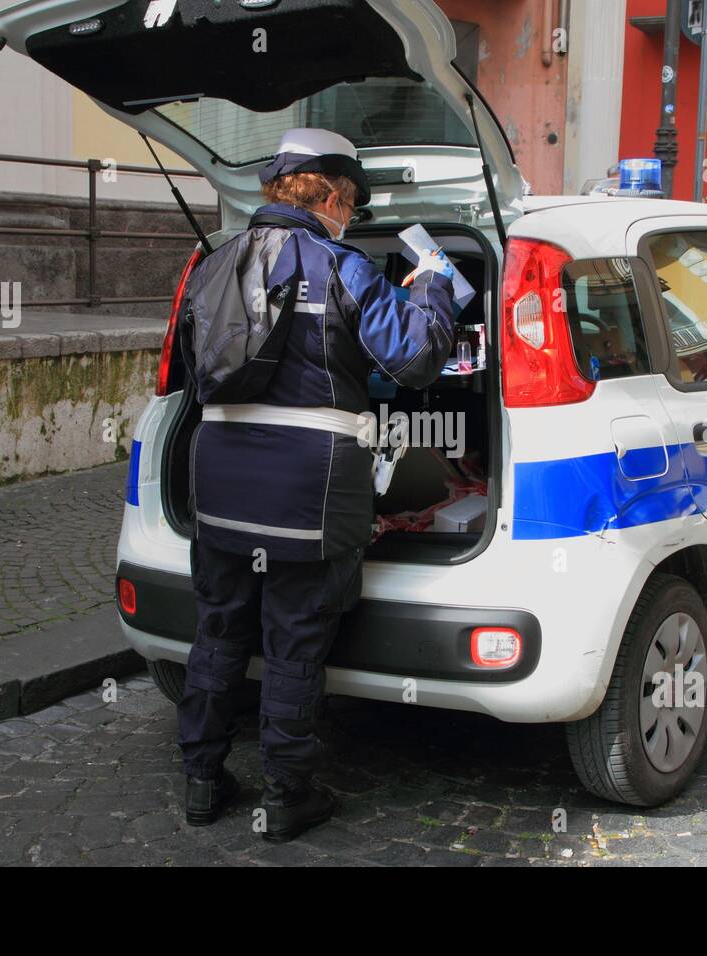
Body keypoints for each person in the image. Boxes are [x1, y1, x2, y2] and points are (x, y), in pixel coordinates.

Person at [176, 128, 458, 842]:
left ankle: (202, 781)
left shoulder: (212, 263)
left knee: (217, 632)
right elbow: (417, 356)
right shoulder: (342, 265)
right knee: (295, 642)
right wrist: (429, 284)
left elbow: (184, 370)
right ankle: (287, 795)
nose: (352, 216)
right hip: (308, 487)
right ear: (330, 195)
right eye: (352, 204)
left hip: (215, 475)